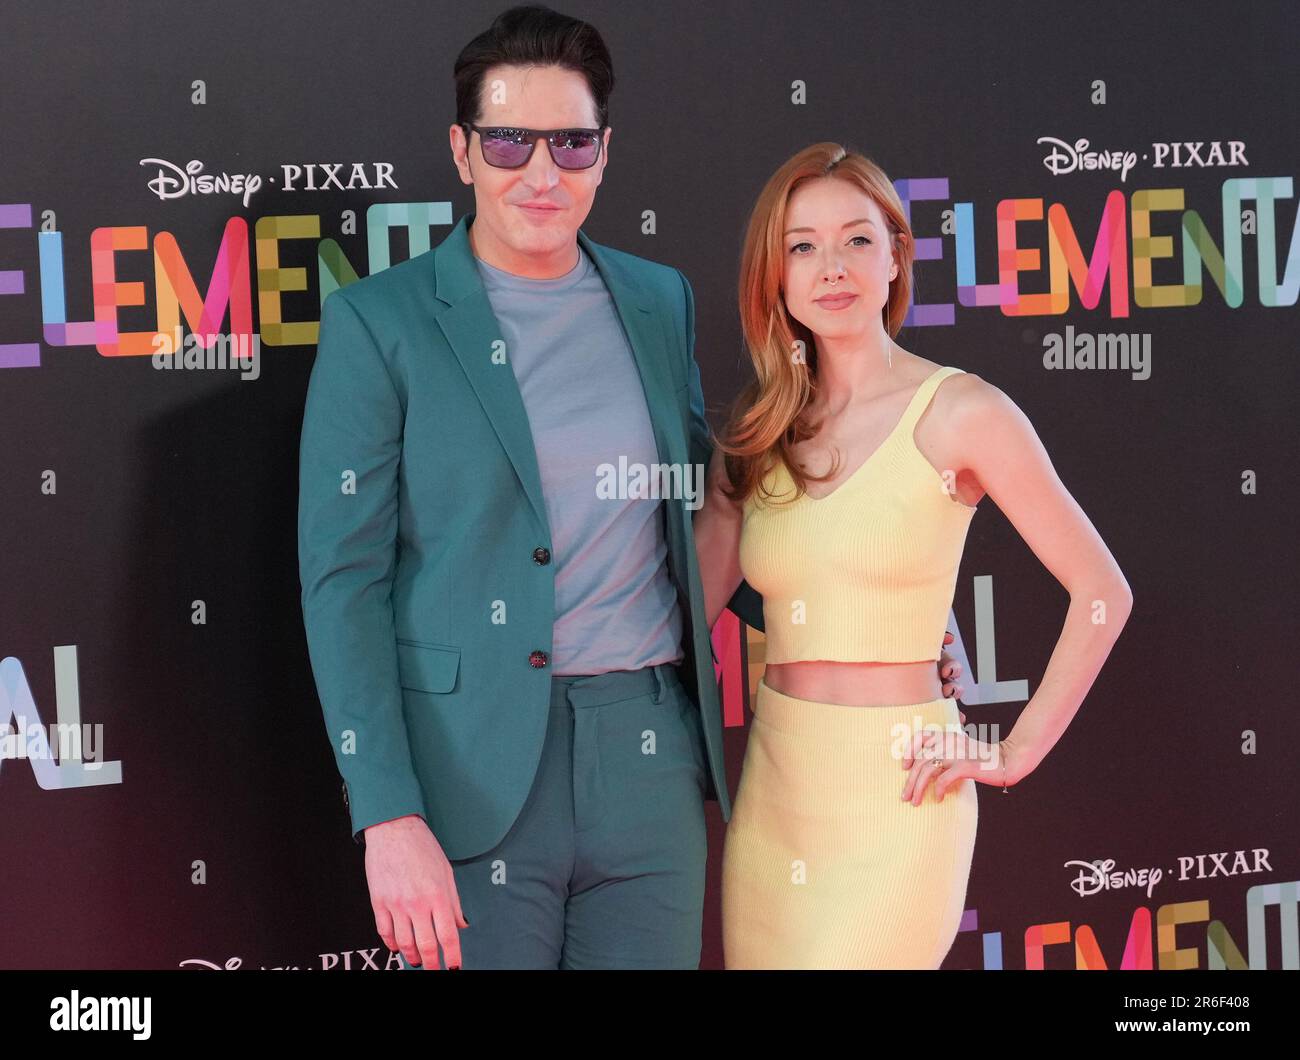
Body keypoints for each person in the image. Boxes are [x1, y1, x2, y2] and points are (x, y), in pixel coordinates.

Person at [297, 6, 960, 970]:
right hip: (469, 767)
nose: (540, 172)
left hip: (649, 759)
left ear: (603, 153)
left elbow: (702, 531)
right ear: (461, 150)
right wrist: (388, 813)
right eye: (509, 140)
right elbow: (341, 583)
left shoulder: (657, 300)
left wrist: (867, 622)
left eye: (570, 144)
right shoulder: (380, 324)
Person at [693, 143, 1133, 969]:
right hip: (776, 793)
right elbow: (680, 613)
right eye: (802, 245)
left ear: (897, 257)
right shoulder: (755, 439)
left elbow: (1102, 592)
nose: (833, 267)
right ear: (775, 277)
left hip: (902, 791)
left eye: (859, 240)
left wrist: (1011, 751)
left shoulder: (962, 411)